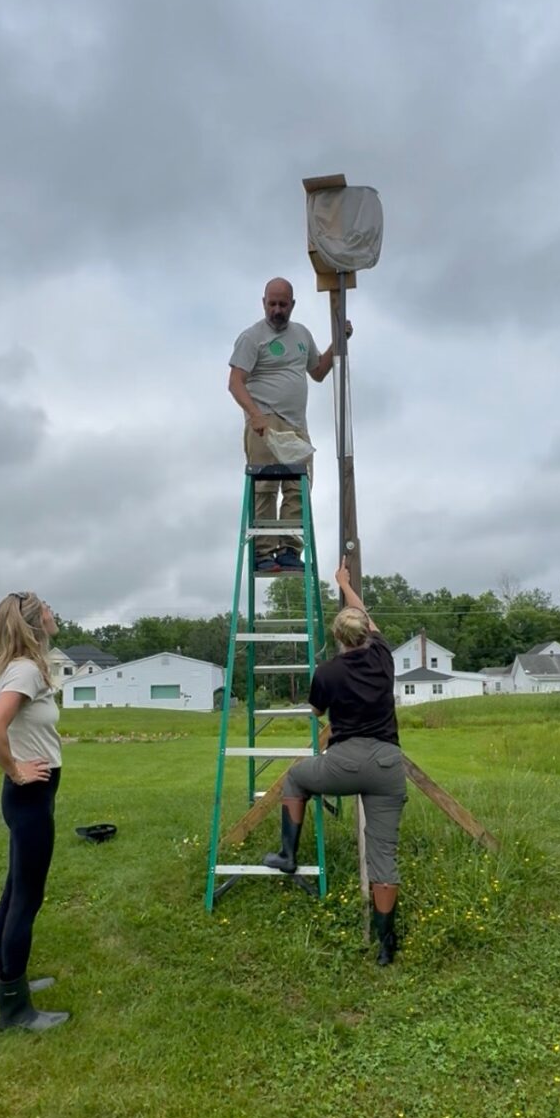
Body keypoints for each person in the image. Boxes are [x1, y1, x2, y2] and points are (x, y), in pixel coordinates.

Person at [264, 558, 406, 965]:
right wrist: (345, 585)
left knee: (295, 779)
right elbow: (368, 619)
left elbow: (316, 713)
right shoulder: (383, 657)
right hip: (387, 764)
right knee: (383, 856)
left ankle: (288, 856)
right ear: (365, 635)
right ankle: (385, 945)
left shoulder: (327, 672)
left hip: (343, 761)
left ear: (339, 639)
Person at [0, 591, 69, 1033]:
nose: (55, 612)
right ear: (36, 620)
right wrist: (15, 770)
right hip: (29, 793)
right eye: (49, 607)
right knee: (27, 897)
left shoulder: (23, 668)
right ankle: (15, 1008)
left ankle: (2, 979)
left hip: (28, 794)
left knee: (16, 886)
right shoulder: (26, 670)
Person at [228, 276, 349, 573]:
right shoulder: (252, 337)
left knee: (298, 486)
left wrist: (338, 341)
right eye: (272, 304)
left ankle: (289, 550)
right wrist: (255, 414)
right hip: (265, 421)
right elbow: (235, 382)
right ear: (264, 303)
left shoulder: (301, 335)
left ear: (292, 305)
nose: (277, 310)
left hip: (297, 424)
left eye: (283, 304)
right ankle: (264, 552)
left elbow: (318, 371)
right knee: (266, 486)